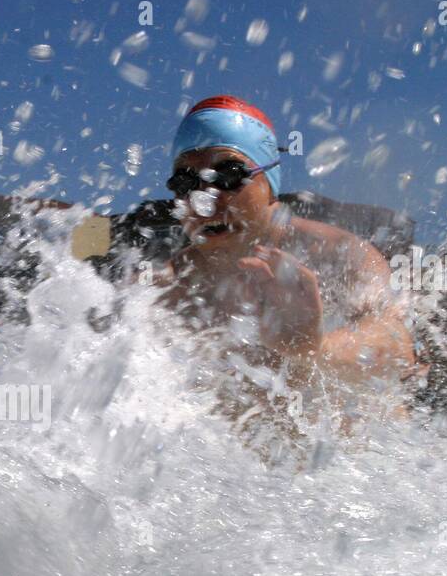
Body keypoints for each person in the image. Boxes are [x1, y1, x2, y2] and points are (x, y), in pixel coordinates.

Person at [158, 96, 416, 395]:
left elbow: (399, 348)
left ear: (270, 183)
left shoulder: (340, 254)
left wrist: (315, 349)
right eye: (185, 183)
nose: (204, 201)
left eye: (229, 175)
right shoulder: (166, 287)